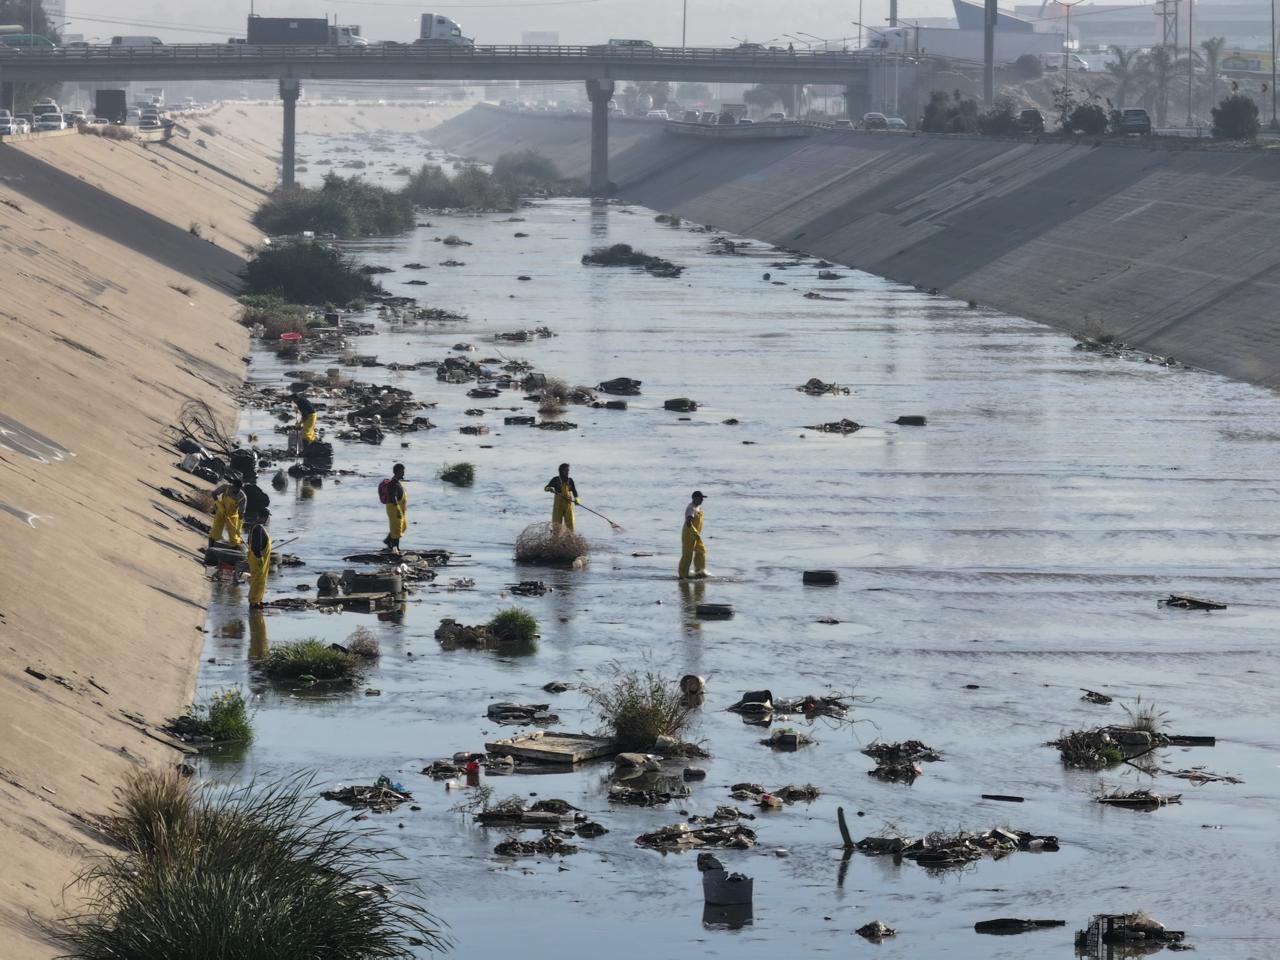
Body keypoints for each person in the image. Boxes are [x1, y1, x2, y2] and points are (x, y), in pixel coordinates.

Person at [208, 476, 246, 547]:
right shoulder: (225, 487)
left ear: (240, 488)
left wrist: (238, 527)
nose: (235, 490)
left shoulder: (242, 497)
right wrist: (218, 504)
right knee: (215, 532)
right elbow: (214, 493)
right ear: (232, 485)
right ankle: (211, 547)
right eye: (234, 487)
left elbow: (241, 513)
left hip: (232, 516)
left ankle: (234, 550)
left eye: (237, 489)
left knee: (234, 537)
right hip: (221, 512)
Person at [678, 490, 708, 580]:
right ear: (695, 498)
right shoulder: (691, 508)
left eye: (702, 498)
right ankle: (683, 575)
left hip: (695, 534)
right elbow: (688, 521)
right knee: (687, 555)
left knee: (701, 550)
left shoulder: (698, 508)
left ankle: (699, 571)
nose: (702, 500)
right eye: (701, 498)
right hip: (688, 532)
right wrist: (693, 531)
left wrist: (696, 533)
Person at [379, 463, 407, 552]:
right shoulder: (393, 483)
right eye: (402, 471)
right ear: (397, 472)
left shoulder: (398, 482)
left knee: (402, 526)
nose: (403, 473)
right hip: (394, 508)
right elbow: (393, 497)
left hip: (398, 508)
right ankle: (395, 548)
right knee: (396, 529)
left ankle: (388, 541)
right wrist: (398, 510)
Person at [246, 511, 272, 608]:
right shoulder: (259, 528)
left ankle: (258, 600)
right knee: (258, 581)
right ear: (263, 517)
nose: (268, 520)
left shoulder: (255, 526)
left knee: (260, 580)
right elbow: (256, 545)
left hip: (256, 558)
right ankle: (254, 602)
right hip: (258, 559)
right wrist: (259, 557)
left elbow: (249, 542)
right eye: (267, 517)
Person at [544, 462, 580, 533]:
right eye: (566, 470)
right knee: (556, 524)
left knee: (570, 524)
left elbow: (574, 491)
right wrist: (550, 488)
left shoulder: (570, 481)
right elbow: (546, 488)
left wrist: (576, 499)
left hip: (568, 505)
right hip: (558, 506)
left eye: (568, 470)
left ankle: (570, 539)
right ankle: (556, 539)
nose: (567, 472)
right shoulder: (555, 479)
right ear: (561, 471)